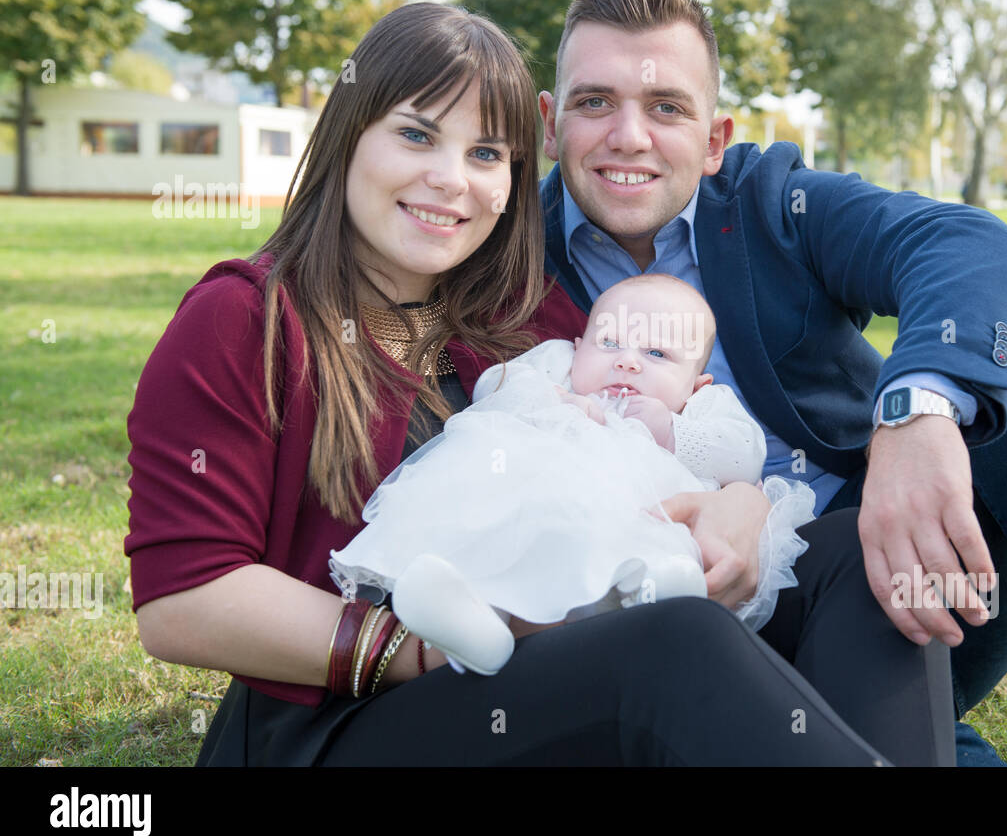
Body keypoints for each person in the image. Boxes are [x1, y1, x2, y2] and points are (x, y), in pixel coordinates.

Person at [123, 1, 935, 766]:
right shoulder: (247, 317)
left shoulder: (517, 310)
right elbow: (183, 599)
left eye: (485, 154)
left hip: (530, 672)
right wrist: (420, 648)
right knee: (673, 645)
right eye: (415, 135)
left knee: (863, 553)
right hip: (338, 721)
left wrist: (741, 503)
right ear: (347, 137)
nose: (451, 180)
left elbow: (639, 434)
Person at [534, 0, 1007, 767]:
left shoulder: (776, 204)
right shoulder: (504, 253)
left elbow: (969, 247)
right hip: (675, 634)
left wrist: (913, 413)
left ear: (715, 138)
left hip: (890, 571)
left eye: (666, 107)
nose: (629, 136)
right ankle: (930, 736)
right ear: (551, 121)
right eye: (595, 101)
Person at [329, 273, 815, 676]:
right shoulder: (556, 366)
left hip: (643, 520)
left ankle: (663, 589)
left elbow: (744, 454)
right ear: (579, 346)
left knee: (659, 538)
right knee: (492, 532)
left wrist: (672, 431)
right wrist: (559, 402)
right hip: (542, 517)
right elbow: (491, 388)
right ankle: (475, 623)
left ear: (696, 383)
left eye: (658, 355)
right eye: (610, 342)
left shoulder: (700, 406)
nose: (627, 360)